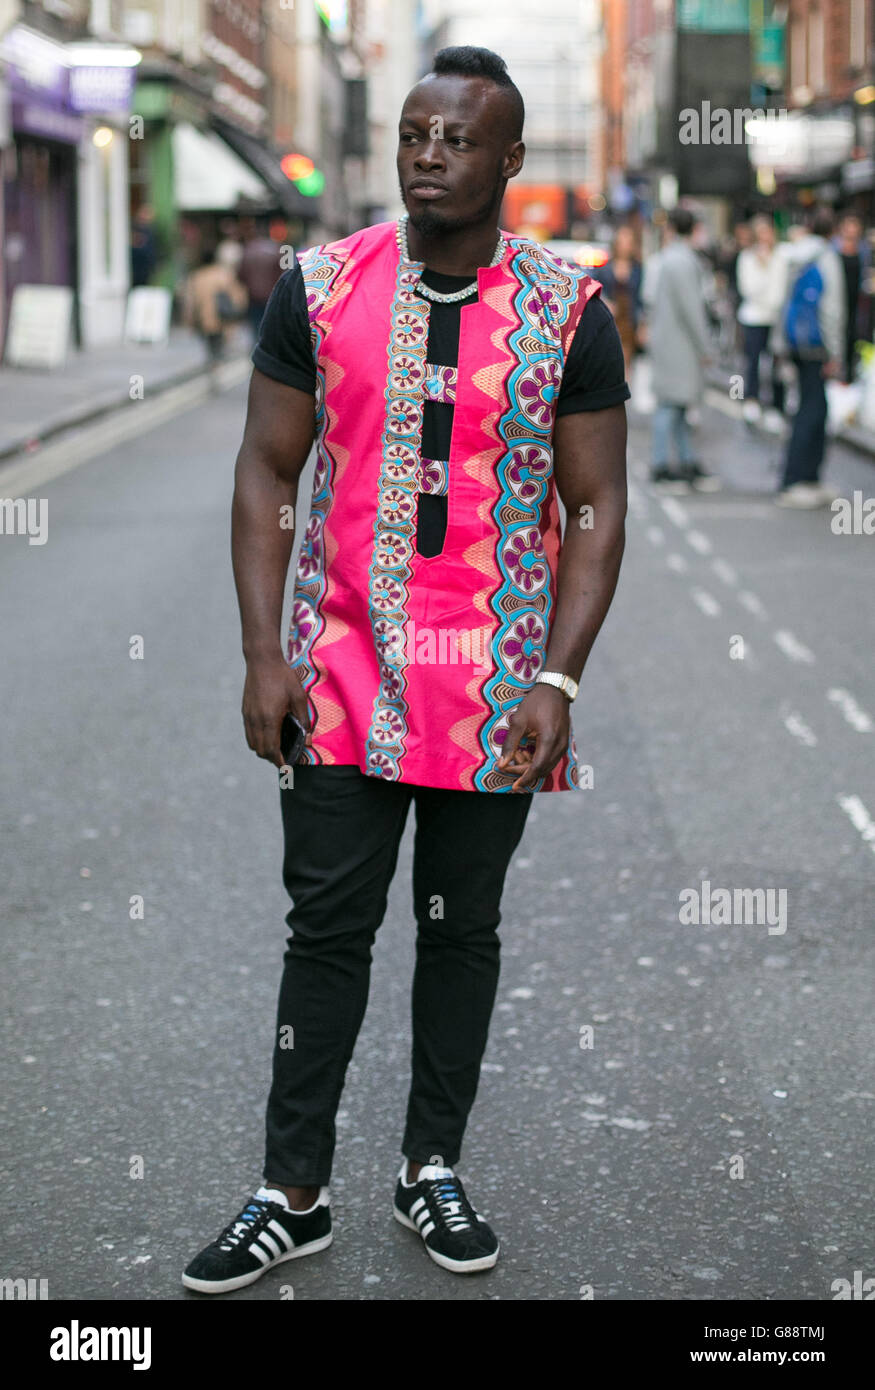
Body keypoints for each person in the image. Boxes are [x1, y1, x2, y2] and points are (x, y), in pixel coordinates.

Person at [182, 44, 629, 1293]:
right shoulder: (318, 288)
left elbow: (594, 507)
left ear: (507, 160)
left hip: (493, 694)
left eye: (457, 138)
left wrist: (559, 679)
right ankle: (291, 1190)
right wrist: (262, 649)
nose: (429, 154)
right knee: (324, 928)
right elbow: (269, 471)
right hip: (339, 675)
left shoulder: (567, 307)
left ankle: (431, 1164)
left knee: (458, 931)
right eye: (414, 133)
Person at [642, 207, 720, 492]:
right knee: (670, 406)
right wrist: (706, 346)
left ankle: (686, 461)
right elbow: (692, 309)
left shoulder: (670, 259)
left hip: (669, 341)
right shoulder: (683, 262)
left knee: (676, 405)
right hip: (679, 345)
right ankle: (661, 465)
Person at [772, 206, 845, 508]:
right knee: (812, 411)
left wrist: (779, 345)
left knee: (812, 407)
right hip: (818, 347)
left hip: (796, 344)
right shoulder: (827, 258)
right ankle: (796, 480)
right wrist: (836, 352)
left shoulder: (793, 256)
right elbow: (832, 309)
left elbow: (782, 302)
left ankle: (808, 477)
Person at [736, 214, 786, 429]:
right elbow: (748, 289)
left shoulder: (780, 257)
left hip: (775, 319)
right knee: (752, 361)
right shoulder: (747, 258)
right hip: (753, 318)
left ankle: (776, 408)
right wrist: (763, 269)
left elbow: (779, 293)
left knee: (777, 364)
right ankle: (751, 399)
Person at [182, 245, 248, 376]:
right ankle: (216, 365)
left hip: (202, 318)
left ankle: (213, 364)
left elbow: (189, 300)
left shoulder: (196, 276)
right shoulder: (222, 274)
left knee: (210, 344)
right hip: (220, 317)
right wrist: (239, 311)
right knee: (218, 343)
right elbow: (236, 294)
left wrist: (188, 319)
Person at [593, 225, 642, 379]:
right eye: (622, 241)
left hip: (628, 319)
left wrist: (642, 324)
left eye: (629, 241)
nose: (625, 245)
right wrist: (606, 301)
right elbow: (597, 291)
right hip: (611, 318)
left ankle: (626, 394)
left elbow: (640, 297)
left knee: (628, 361)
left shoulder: (637, 269)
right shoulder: (605, 268)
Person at [238, 218, 282, 338]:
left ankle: (257, 349)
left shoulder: (247, 250)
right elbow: (283, 274)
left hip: (253, 295)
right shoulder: (277, 249)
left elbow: (241, 275)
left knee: (255, 326)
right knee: (270, 326)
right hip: (271, 295)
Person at [835, 213, 865, 384]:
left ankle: (849, 376)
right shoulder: (834, 249)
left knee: (853, 335)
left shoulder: (863, 250)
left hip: (857, 301)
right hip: (838, 299)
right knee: (838, 334)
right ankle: (838, 374)